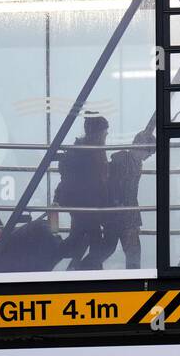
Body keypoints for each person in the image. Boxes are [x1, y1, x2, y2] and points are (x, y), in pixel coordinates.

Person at [98, 121, 156, 269]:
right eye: (149, 151)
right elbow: (115, 186)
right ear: (140, 146)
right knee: (129, 251)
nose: (150, 155)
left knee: (112, 248)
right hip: (121, 213)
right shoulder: (124, 160)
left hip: (123, 214)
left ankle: (85, 267)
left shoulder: (133, 162)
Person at [55, 114, 110, 269]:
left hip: (83, 203)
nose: (106, 135)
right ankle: (84, 270)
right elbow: (91, 179)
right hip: (86, 203)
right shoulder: (88, 151)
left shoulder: (85, 149)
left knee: (78, 239)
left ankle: (61, 261)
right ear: (97, 133)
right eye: (104, 132)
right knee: (93, 241)